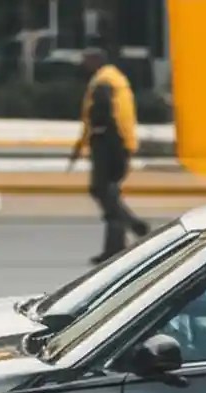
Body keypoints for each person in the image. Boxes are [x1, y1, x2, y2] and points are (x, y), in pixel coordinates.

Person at [68, 47, 150, 265]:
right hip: (117, 143)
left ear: (96, 60)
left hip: (108, 144)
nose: (83, 64)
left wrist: (98, 142)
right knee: (109, 193)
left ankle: (131, 226)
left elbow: (104, 115)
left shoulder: (103, 82)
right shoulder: (114, 78)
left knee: (102, 191)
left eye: (86, 60)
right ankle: (116, 245)